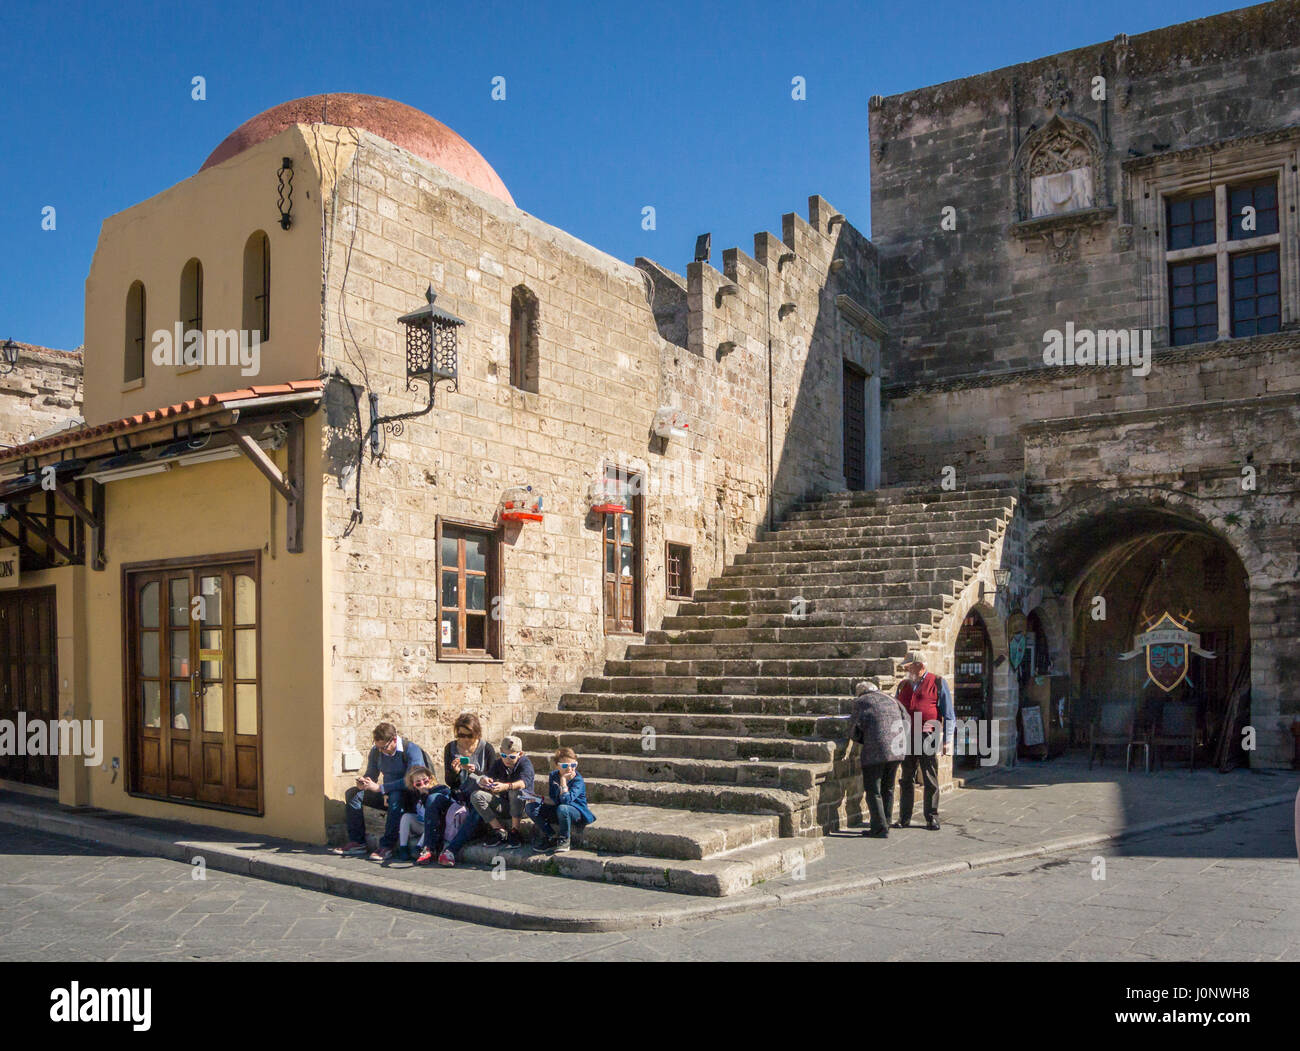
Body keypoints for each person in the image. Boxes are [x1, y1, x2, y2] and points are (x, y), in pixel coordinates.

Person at [336, 722, 428, 860]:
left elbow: (412, 780)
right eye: (378, 748)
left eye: (384, 747)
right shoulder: (376, 751)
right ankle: (358, 842)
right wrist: (364, 783)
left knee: (395, 796)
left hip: (409, 797)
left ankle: (387, 846)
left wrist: (382, 788)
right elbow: (372, 774)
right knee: (353, 794)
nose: (382, 751)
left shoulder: (411, 750)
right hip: (387, 792)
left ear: (394, 740)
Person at [894, 653, 955, 831]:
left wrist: (947, 740)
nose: (906, 670)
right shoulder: (903, 685)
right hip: (907, 736)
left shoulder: (937, 682)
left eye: (909, 667)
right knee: (906, 778)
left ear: (920, 666)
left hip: (929, 735)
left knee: (929, 777)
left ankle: (931, 817)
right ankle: (904, 818)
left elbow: (949, 714)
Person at [432, 713, 499, 867]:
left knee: (477, 809)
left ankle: (450, 851)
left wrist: (476, 772)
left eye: (469, 735)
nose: (465, 739)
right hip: (459, 795)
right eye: (461, 735)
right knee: (434, 800)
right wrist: (455, 772)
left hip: (479, 796)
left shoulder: (486, 749)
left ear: (477, 734)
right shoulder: (451, 748)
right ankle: (429, 846)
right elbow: (450, 782)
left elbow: (493, 780)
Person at [846, 678, 910, 838]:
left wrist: (861, 738)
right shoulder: (891, 698)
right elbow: (907, 720)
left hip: (875, 751)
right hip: (897, 749)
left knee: (873, 790)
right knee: (888, 787)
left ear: (860, 692)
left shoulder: (861, 701)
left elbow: (853, 728)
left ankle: (879, 828)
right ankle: (886, 821)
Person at [469, 735, 536, 847]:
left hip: (524, 806)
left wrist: (506, 786)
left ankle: (515, 831)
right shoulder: (499, 763)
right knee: (476, 796)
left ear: (520, 754)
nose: (507, 759)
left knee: (515, 790)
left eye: (512, 757)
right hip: (505, 805)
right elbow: (489, 777)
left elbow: (523, 783)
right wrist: (484, 781)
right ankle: (499, 830)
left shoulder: (525, 764)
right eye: (504, 755)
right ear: (500, 752)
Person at [531, 747, 596, 853]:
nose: (570, 769)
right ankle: (551, 836)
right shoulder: (553, 776)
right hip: (560, 809)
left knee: (563, 808)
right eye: (565, 766)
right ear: (557, 766)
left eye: (573, 765)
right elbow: (554, 799)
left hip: (576, 812)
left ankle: (565, 839)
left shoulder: (578, 780)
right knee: (531, 807)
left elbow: (566, 800)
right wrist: (539, 798)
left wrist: (563, 780)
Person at [395, 764, 447, 861]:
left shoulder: (439, 789)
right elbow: (408, 809)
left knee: (429, 825)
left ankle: (419, 848)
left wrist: (428, 793)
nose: (423, 784)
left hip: (434, 826)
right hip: (420, 824)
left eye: (425, 781)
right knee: (406, 816)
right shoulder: (413, 794)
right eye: (418, 783)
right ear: (413, 785)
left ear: (430, 779)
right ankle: (403, 847)